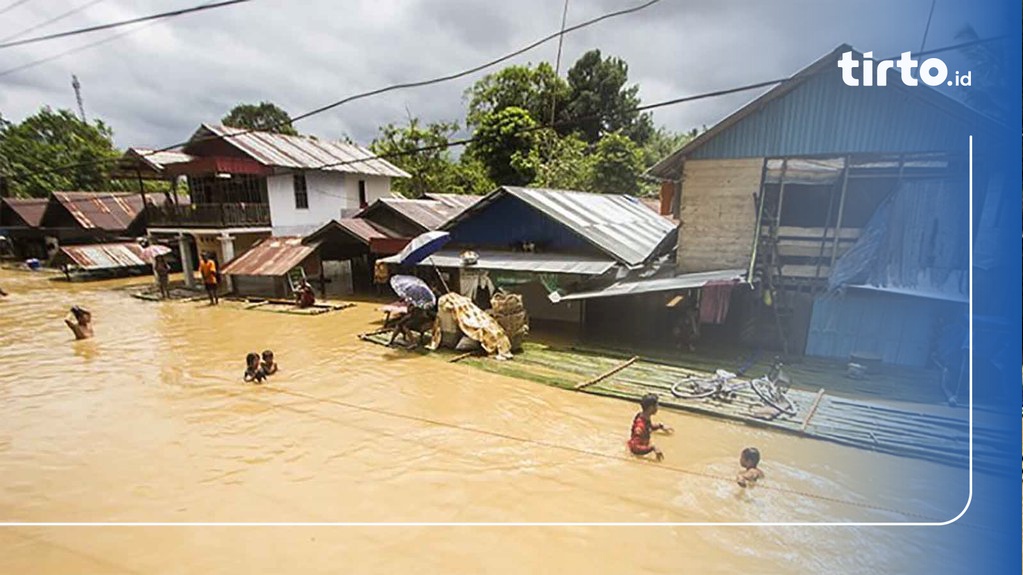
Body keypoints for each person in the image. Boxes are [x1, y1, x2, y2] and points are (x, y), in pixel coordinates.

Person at [628, 393, 673, 461]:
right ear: (651, 408)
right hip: (636, 456)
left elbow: (648, 427)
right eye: (656, 405)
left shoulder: (643, 417)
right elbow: (634, 448)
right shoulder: (640, 427)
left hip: (643, 446)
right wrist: (652, 448)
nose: (658, 407)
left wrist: (660, 426)